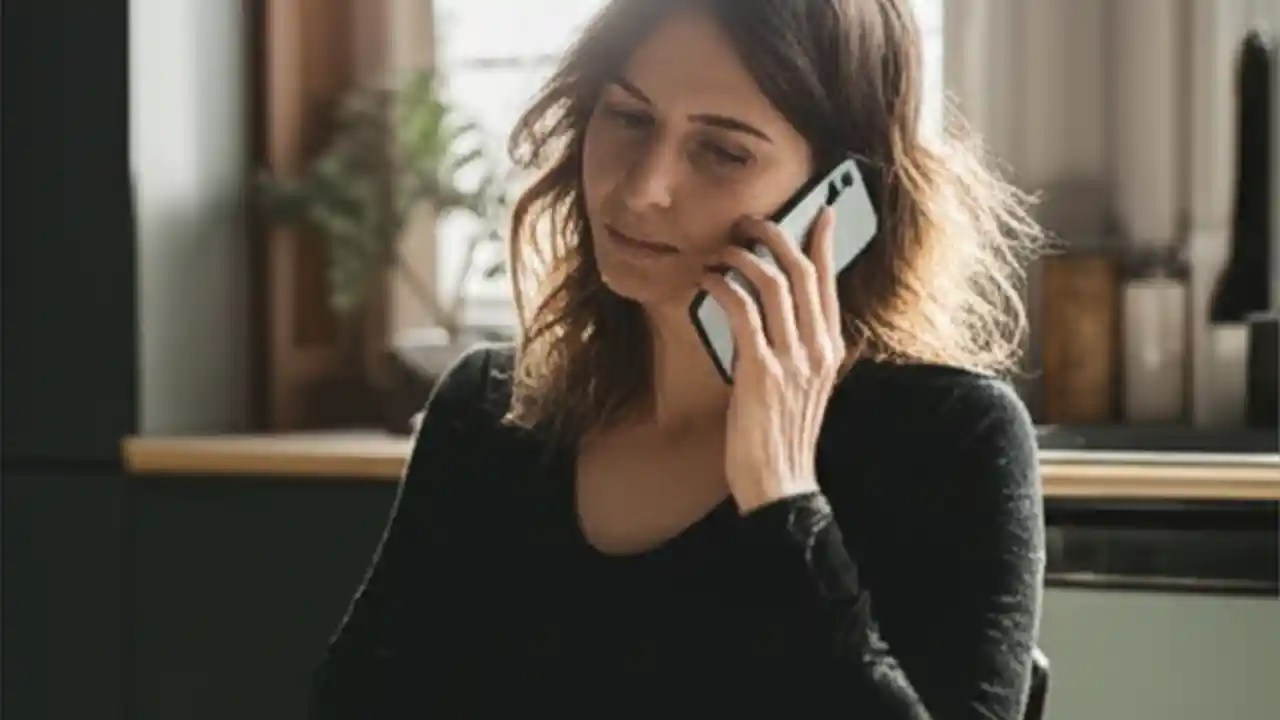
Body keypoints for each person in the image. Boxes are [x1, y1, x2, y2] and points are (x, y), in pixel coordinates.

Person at [309, 0, 1049, 716]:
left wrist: (783, 501)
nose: (643, 188)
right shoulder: (487, 410)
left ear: (835, 201)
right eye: (628, 118)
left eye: (722, 151)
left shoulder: (949, 441)